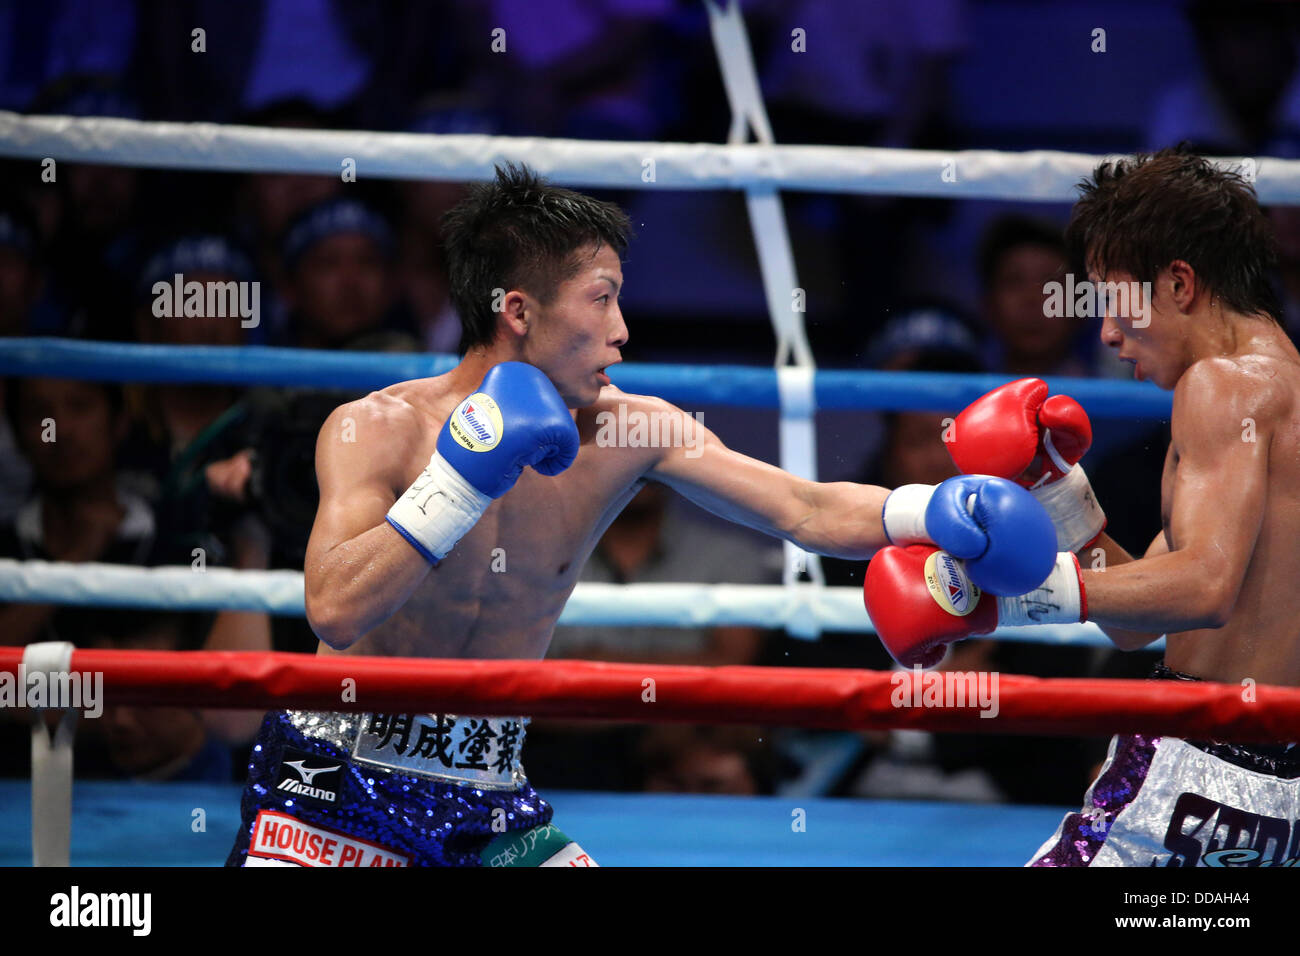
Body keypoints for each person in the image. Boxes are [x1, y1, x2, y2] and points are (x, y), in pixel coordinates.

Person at [225, 163, 1061, 869]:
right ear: (519, 310)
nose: (623, 331)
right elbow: (334, 606)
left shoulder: (630, 427)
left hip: (489, 792)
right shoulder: (377, 427)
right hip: (333, 777)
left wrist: (932, 509)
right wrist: (463, 478)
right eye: (602, 300)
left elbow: (801, 507)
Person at [867, 148, 1300, 866]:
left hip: (1192, 764)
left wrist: (990, 607)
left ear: (1181, 283)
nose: (1105, 332)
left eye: (1115, 300)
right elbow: (1141, 623)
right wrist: (1061, 495)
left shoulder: (1219, 386)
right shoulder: (1281, 390)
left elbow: (1205, 588)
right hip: (1281, 787)